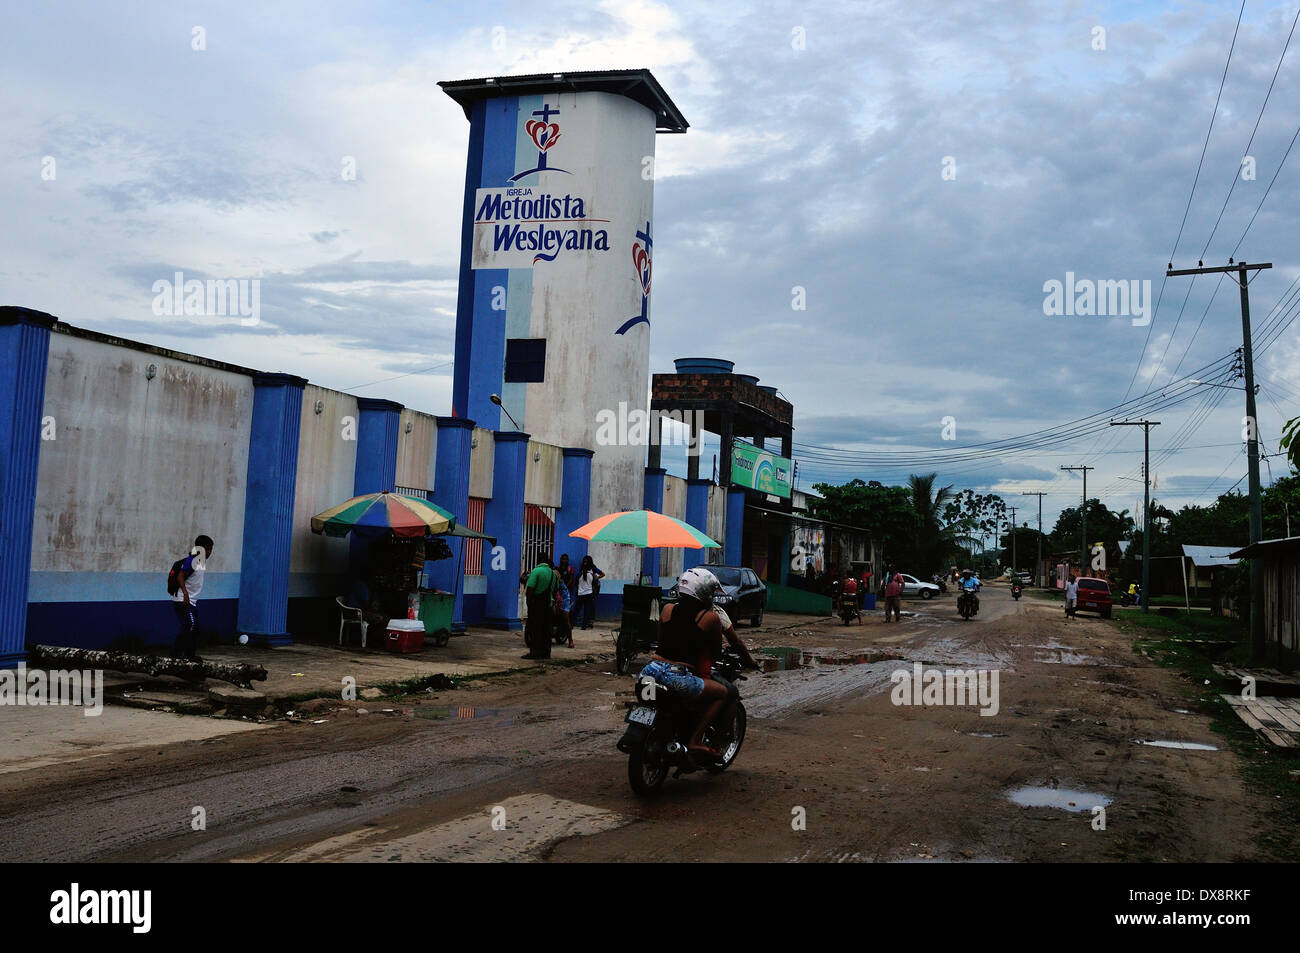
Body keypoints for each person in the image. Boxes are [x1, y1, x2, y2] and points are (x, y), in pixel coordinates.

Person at [641, 568, 757, 758]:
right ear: (703, 592)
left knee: (652, 701)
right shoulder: (711, 617)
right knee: (724, 693)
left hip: (651, 670)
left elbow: (661, 641)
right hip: (678, 676)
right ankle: (695, 740)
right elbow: (715, 651)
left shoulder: (667, 609)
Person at [172, 535, 213, 661]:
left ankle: (190, 655)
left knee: (195, 628)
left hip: (191, 602)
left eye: (211, 549)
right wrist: (185, 594)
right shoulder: (194, 560)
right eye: (207, 549)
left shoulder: (199, 561)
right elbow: (180, 576)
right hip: (183, 600)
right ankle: (175, 654)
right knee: (189, 624)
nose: (210, 552)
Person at [522, 552, 558, 659]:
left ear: (538, 560)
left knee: (535, 629)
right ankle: (546, 653)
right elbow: (555, 590)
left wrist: (529, 605)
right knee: (546, 630)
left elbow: (530, 589)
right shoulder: (553, 573)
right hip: (549, 605)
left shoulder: (536, 571)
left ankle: (535, 652)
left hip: (537, 606)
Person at [344, 570, 388, 645]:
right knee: (382, 618)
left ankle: (372, 637)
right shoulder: (362, 586)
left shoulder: (358, 584)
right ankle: (374, 639)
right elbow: (366, 605)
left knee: (383, 616)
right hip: (355, 612)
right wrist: (375, 612)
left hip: (352, 611)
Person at [573, 555, 604, 630]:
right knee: (585, 609)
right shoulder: (586, 571)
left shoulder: (592, 569)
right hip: (586, 592)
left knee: (586, 609)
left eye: (586, 561)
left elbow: (602, 574)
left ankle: (588, 623)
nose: (585, 563)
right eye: (584, 561)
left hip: (588, 592)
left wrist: (596, 578)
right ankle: (584, 625)